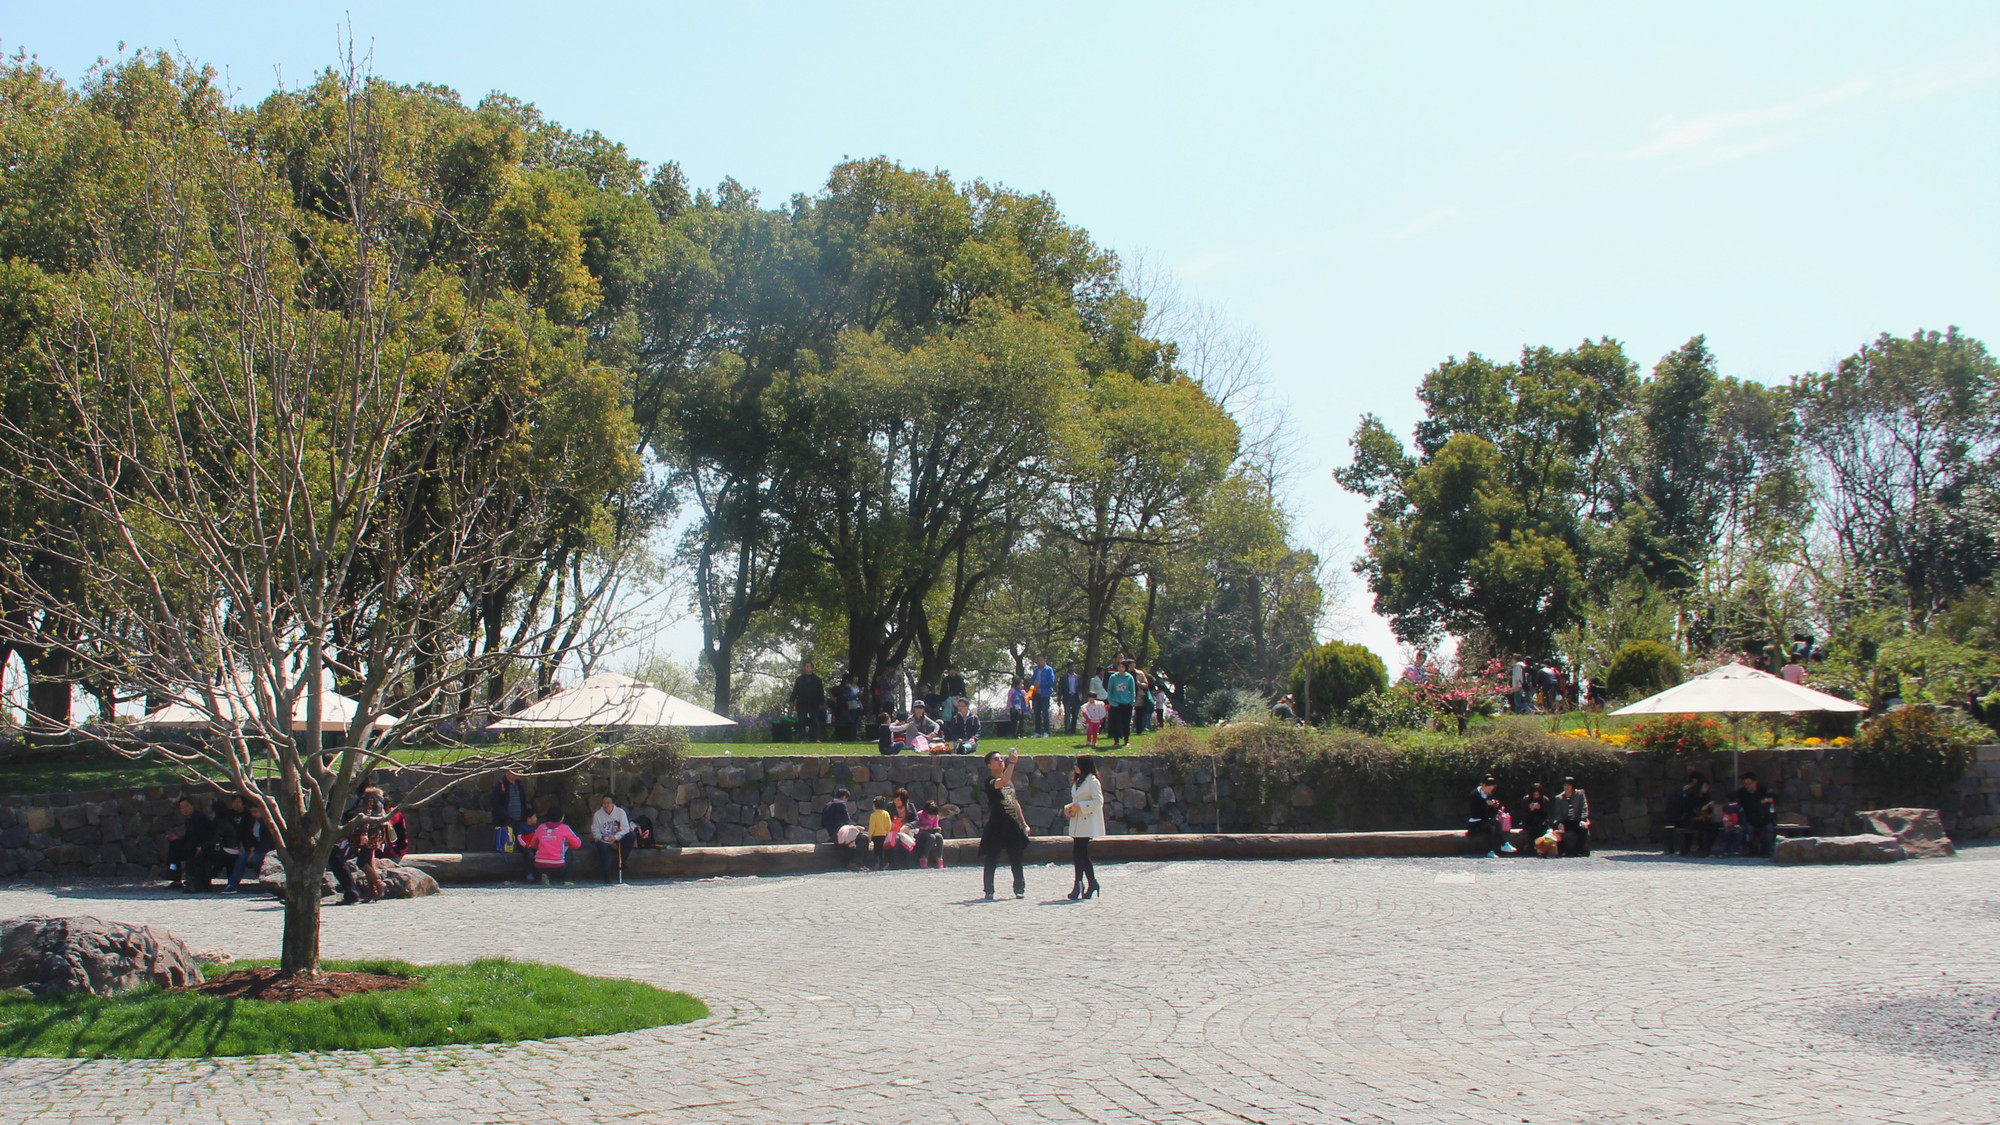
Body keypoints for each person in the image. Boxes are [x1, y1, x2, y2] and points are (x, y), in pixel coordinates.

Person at [978, 749, 1031, 899]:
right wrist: (1012, 763)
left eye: (1002, 758)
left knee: (1016, 857)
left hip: (1012, 825)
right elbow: (1001, 782)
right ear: (989, 765)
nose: (1001, 760)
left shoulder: (1009, 781)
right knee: (992, 858)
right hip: (996, 825)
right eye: (996, 759)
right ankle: (989, 889)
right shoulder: (990, 781)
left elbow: (1014, 802)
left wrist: (1023, 823)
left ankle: (1019, 887)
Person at [1064, 753, 1105, 900]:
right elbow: (1076, 799)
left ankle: (1080, 884)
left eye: (1077, 764)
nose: (1075, 767)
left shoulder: (1092, 781)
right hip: (1077, 822)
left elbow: (1098, 802)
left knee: (1080, 852)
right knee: (1079, 853)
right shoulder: (1078, 781)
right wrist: (1069, 808)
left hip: (1087, 822)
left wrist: (1080, 806)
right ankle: (1088, 882)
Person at [164, 797, 214, 892]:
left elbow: (200, 836)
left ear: (192, 806)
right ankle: (174, 874)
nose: (185, 809)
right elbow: (189, 837)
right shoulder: (189, 820)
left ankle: (173, 871)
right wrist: (178, 838)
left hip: (203, 846)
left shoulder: (200, 818)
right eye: (182, 807)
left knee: (179, 851)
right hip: (192, 845)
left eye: (186, 806)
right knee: (174, 844)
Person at [521, 808, 582, 885]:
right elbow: (577, 844)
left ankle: (545, 875)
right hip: (558, 867)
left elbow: (533, 844)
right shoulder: (564, 828)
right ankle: (567, 879)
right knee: (569, 851)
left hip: (540, 866)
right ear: (561, 818)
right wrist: (566, 843)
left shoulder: (541, 827)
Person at [226, 798, 273, 892]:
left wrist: (255, 852)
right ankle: (232, 885)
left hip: (267, 849)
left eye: (256, 811)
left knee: (255, 859)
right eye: (252, 812)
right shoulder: (251, 821)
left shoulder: (269, 822)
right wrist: (251, 849)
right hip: (254, 848)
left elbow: (269, 841)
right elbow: (248, 837)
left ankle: (266, 884)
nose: (253, 814)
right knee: (242, 857)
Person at [1670, 773, 1719, 857]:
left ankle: (1706, 849)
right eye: (1705, 786)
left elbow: (1708, 811)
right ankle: (1701, 849)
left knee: (1713, 827)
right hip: (1689, 820)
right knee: (1703, 827)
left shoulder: (1706, 797)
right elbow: (1687, 810)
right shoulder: (1690, 796)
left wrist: (1708, 810)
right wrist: (1699, 812)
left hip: (1702, 819)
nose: (1707, 788)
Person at [1734, 771, 1777, 858]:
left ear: (1755, 782)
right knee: (1748, 829)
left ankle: (1766, 850)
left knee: (1769, 828)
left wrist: (1768, 800)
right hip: (1750, 819)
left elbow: (1775, 798)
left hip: (1764, 818)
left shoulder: (1764, 790)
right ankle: (1753, 850)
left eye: (1749, 784)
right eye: (1745, 784)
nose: (1747, 786)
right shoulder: (1742, 793)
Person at [591, 795, 634, 882]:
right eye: (604, 803)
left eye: (608, 803)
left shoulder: (620, 812)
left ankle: (620, 861)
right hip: (604, 840)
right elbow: (596, 833)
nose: (606, 805)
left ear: (613, 804)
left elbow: (625, 829)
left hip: (618, 838)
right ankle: (607, 875)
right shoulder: (598, 815)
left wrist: (615, 837)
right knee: (602, 847)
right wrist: (608, 839)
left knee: (631, 837)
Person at [1467, 775, 1513, 857]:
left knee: (1492, 828)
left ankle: (1491, 851)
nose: (1490, 791)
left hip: (1484, 822)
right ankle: (1504, 844)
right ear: (1484, 786)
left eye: (1491, 789)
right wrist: (1485, 803)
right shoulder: (1474, 794)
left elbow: (1490, 813)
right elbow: (1475, 811)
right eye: (1489, 788)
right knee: (1495, 822)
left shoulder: (1489, 795)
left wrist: (1494, 806)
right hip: (1475, 824)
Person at [822, 788, 864, 868]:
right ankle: (856, 863)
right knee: (863, 838)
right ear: (844, 797)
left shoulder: (827, 805)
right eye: (846, 799)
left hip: (832, 835)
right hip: (840, 835)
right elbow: (847, 820)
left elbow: (823, 823)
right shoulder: (841, 804)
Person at [489, 769, 528, 854]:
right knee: (505, 846)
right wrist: (505, 817)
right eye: (513, 771)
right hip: (505, 822)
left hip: (519, 820)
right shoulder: (500, 785)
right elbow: (495, 804)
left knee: (520, 847)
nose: (516, 773)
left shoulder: (519, 785)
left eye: (517, 771)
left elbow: (523, 801)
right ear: (507, 772)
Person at [1553, 776, 1591, 856]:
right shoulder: (1559, 798)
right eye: (1565, 785)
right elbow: (1558, 813)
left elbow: (1584, 808)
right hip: (1566, 821)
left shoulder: (1580, 794)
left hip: (1577, 820)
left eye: (1568, 785)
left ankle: (1580, 851)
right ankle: (1562, 851)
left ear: (1572, 786)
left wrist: (1583, 820)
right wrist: (1560, 822)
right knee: (1557, 829)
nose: (1566, 787)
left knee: (1583, 829)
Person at [790, 660, 826, 743]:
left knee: (815, 721)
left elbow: (821, 692)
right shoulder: (799, 679)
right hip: (802, 703)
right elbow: (795, 691)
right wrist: (792, 700)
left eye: (808, 666)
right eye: (805, 666)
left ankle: (816, 738)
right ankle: (802, 738)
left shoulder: (817, 680)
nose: (806, 668)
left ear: (812, 668)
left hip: (814, 703)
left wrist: (821, 703)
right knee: (802, 720)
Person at [1106, 661, 1137, 749]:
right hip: (1116, 704)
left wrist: (1131, 701)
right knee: (1116, 722)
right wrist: (1111, 701)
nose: (1120, 668)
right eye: (1119, 666)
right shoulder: (1113, 677)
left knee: (1126, 723)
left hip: (1127, 704)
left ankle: (1126, 740)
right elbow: (1110, 690)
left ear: (1125, 668)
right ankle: (1116, 741)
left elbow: (1132, 690)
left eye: (1122, 667)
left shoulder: (1129, 677)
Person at [1030, 656, 1057, 737]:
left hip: (1045, 694)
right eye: (1038, 660)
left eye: (1041, 660)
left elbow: (1051, 681)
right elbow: (1032, 680)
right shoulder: (1036, 670)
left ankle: (1046, 731)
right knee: (1037, 713)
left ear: (1045, 660)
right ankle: (1037, 731)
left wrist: (1040, 685)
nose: (1039, 662)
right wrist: (1034, 683)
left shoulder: (1049, 670)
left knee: (1045, 713)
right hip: (1036, 694)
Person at [915, 800, 945, 869]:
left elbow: (935, 825)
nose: (932, 817)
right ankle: (924, 858)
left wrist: (937, 828)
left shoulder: (936, 816)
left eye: (933, 816)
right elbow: (914, 826)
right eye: (930, 815)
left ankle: (939, 858)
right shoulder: (920, 814)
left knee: (939, 836)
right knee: (931, 837)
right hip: (921, 833)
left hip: (932, 831)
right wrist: (923, 828)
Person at [868, 796, 895, 871]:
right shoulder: (886, 813)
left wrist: (869, 836)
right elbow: (889, 824)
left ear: (874, 806)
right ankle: (882, 865)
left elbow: (872, 827)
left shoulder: (873, 815)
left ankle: (877, 864)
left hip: (876, 836)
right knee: (883, 850)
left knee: (877, 851)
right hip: (884, 835)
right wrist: (887, 832)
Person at [839, 675, 866, 740]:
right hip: (851, 705)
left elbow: (858, 696)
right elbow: (847, 697)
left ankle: (854, 735)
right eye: (855, 678)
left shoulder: (857, 687)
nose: (856, 679)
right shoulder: (848, 687)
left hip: (857, 705)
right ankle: (850, 736)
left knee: (857, 721)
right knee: (852, 721)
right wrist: (856, 696)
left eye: (857, 678)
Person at [1060, 663, 1083, 735]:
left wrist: (1080, 697)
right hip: (1067, 697)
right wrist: (1059, 698)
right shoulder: (1064, 677)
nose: (1072, 668)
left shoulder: (1077, 677)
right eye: (1071, 666)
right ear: (1068, 667)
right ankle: (1067, 730)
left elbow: (1080, 688)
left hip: (1075, 697)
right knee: (1067, 714)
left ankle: (1073, 730)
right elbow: (1060, 688)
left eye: (1073, 666)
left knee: (1075, 714)